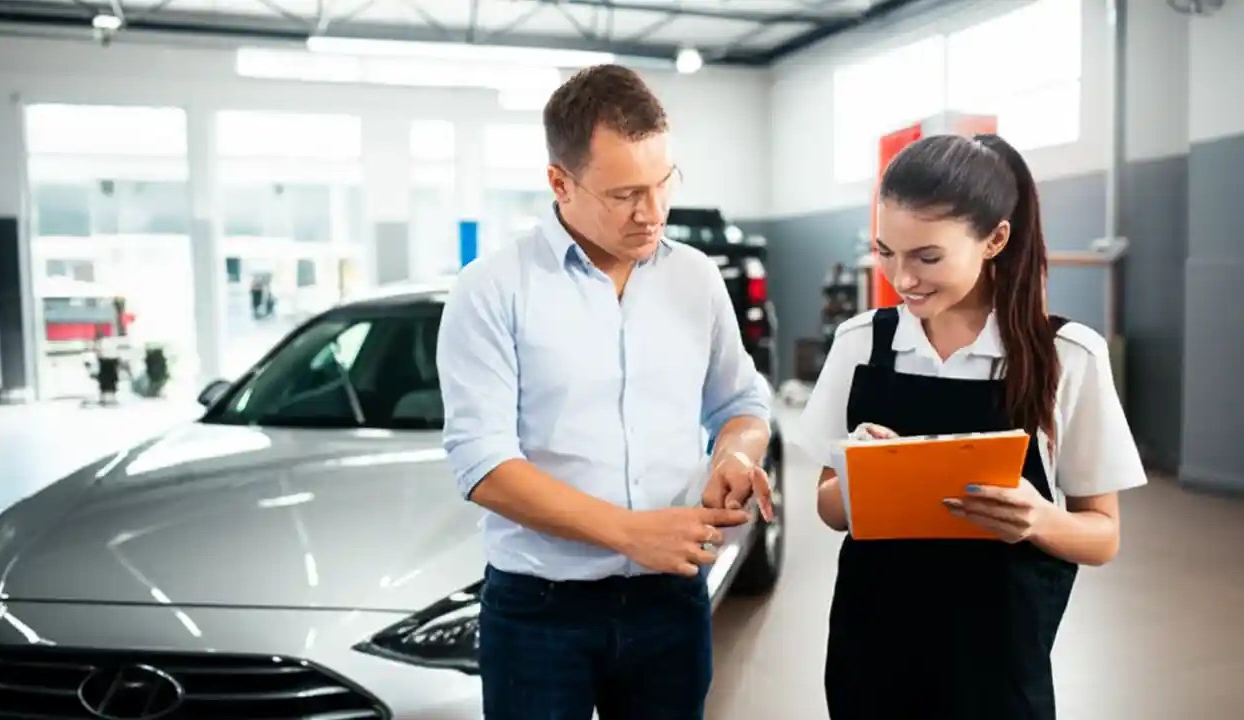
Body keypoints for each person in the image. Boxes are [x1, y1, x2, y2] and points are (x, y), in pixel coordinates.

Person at [436, 65, 775, 719]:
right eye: (625, 194)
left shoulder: (696, 279)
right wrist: (628, 534)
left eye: (662, 183)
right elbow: (482, 465)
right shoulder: (494, 289)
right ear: (559, 183)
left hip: (669, 601)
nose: (652, 213)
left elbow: (741, 403)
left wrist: (736, 453)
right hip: (540, 613)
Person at [798, 133, 1147, 720]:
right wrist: (858, 476)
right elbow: (829, 509)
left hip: (999, 669)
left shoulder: (1066, 356)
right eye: (887, 252)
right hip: (872, 656)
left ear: (995, 239)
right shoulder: (861, 344)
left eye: (927, 257)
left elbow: (1102, 536)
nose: (901, 278)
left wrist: (1037, 517)